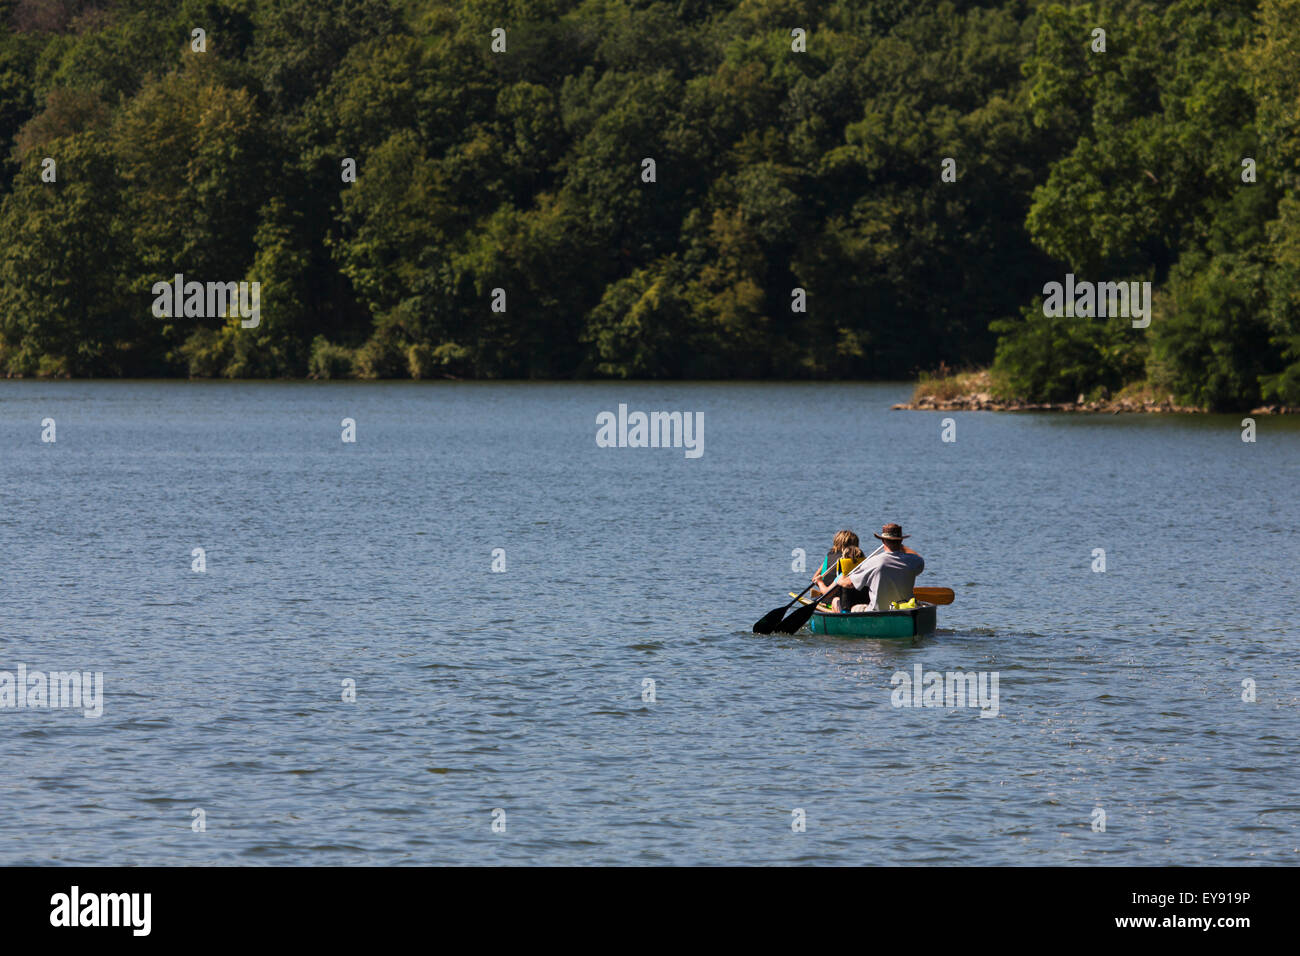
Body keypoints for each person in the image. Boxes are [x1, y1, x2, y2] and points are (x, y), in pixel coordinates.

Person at [823, 523, 924, 612]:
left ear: (883, 541)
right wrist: (902, 546)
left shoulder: (873, 562)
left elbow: (848, 583)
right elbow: (919, 559)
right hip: (904, 609)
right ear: (901, 541)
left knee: (850, 607)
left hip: (877, 611)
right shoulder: (913, 561)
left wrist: (839, 579)